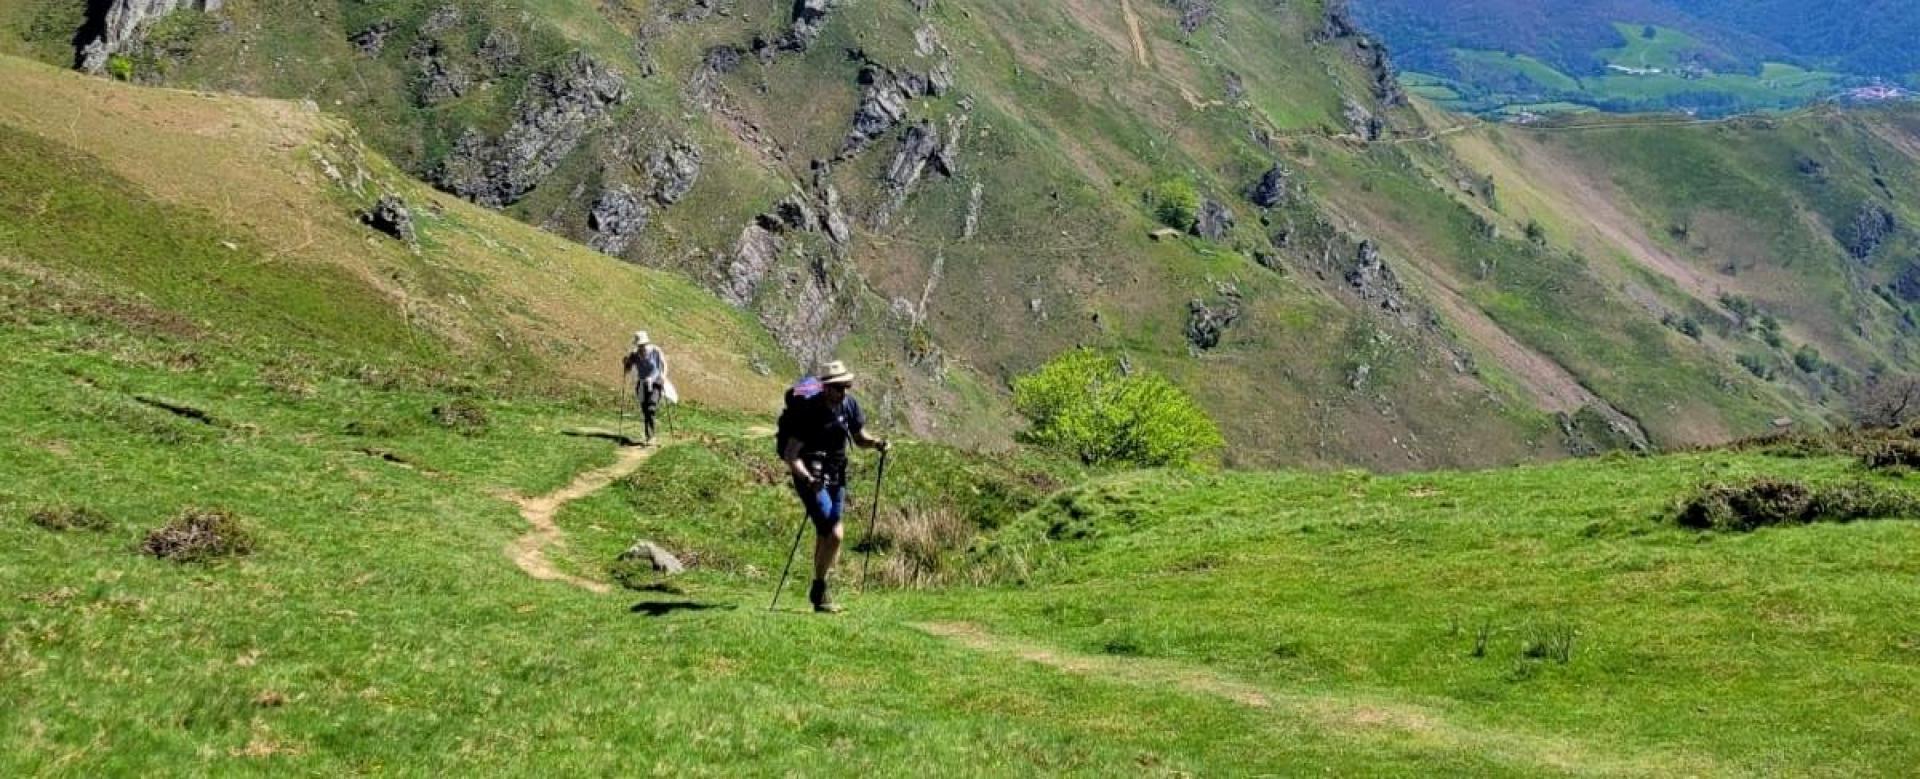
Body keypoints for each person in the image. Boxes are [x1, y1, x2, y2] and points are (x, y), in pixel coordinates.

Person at [780, 360, 889, 613]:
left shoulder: (848, 405)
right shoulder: (808, 411)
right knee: (836, 533)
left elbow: (859, 437)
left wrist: (876, 444)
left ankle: (819, 594)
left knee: (825, 533)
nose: (844, 392)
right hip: (811, 477)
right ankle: (820, 588)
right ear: (827, 388)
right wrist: (809, 479)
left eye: (847, 386)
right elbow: (791, 454)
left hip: (837, 475)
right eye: (840, 388)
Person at [622, 331, 669, 444]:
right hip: (642, 383)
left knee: (651, 407)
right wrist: (625, 363)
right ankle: (649, 436)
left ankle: (651, 436)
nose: (642, 347)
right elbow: (627, 369)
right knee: (645, 410)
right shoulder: (634, 354)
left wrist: (664, 376)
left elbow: (664, 364)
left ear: (647, 343)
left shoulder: (655, 351)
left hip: (656, 382)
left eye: (643, 344)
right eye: (640, 345)